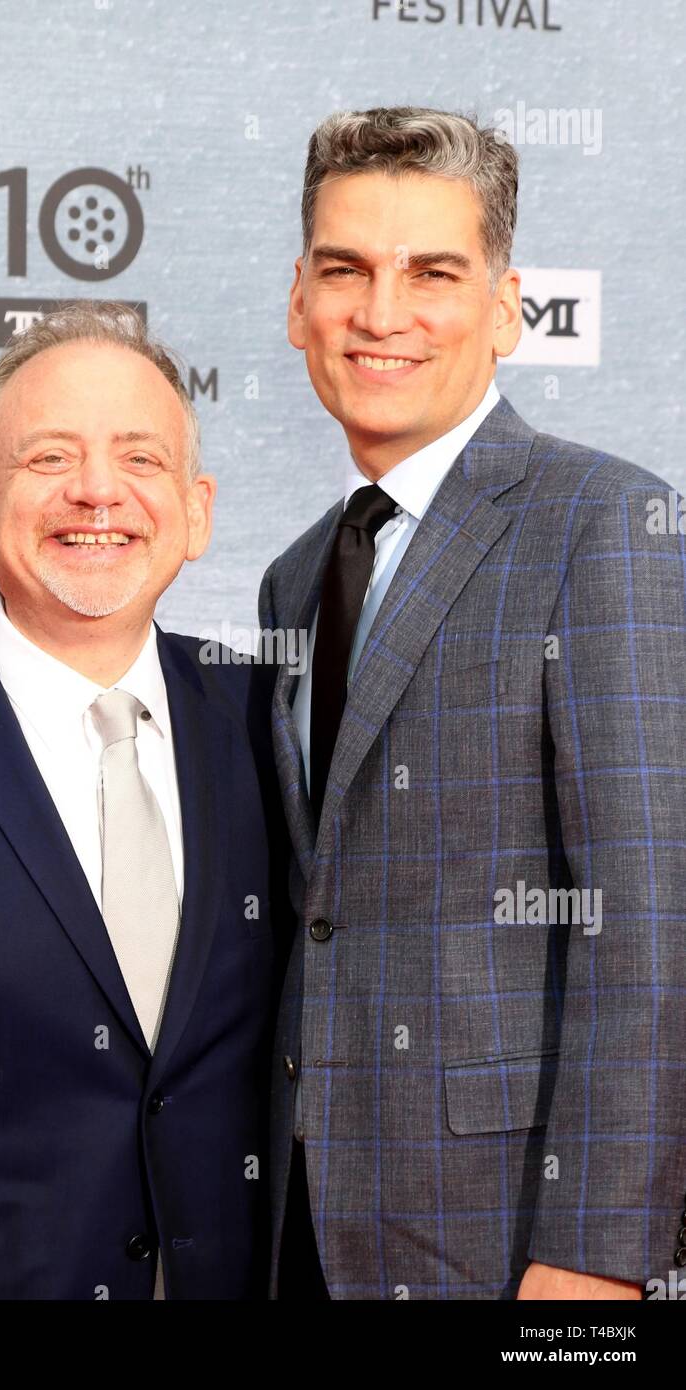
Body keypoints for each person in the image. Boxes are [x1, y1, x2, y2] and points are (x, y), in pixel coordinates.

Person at [260, 105, 686, 1300]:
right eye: (344, 269)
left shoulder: (600, 521)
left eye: (430, 272)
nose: (379, 312)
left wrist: (594, 1262)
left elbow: (649, 923)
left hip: (508, 1244)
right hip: (312, 1229)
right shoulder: (293, 571)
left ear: (503, 309)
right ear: (298, 302)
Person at [0, 302, 281, 1300]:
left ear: (196, 512)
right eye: (48, 458)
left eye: (140, 460)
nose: (97, 491)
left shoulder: (273, 730)